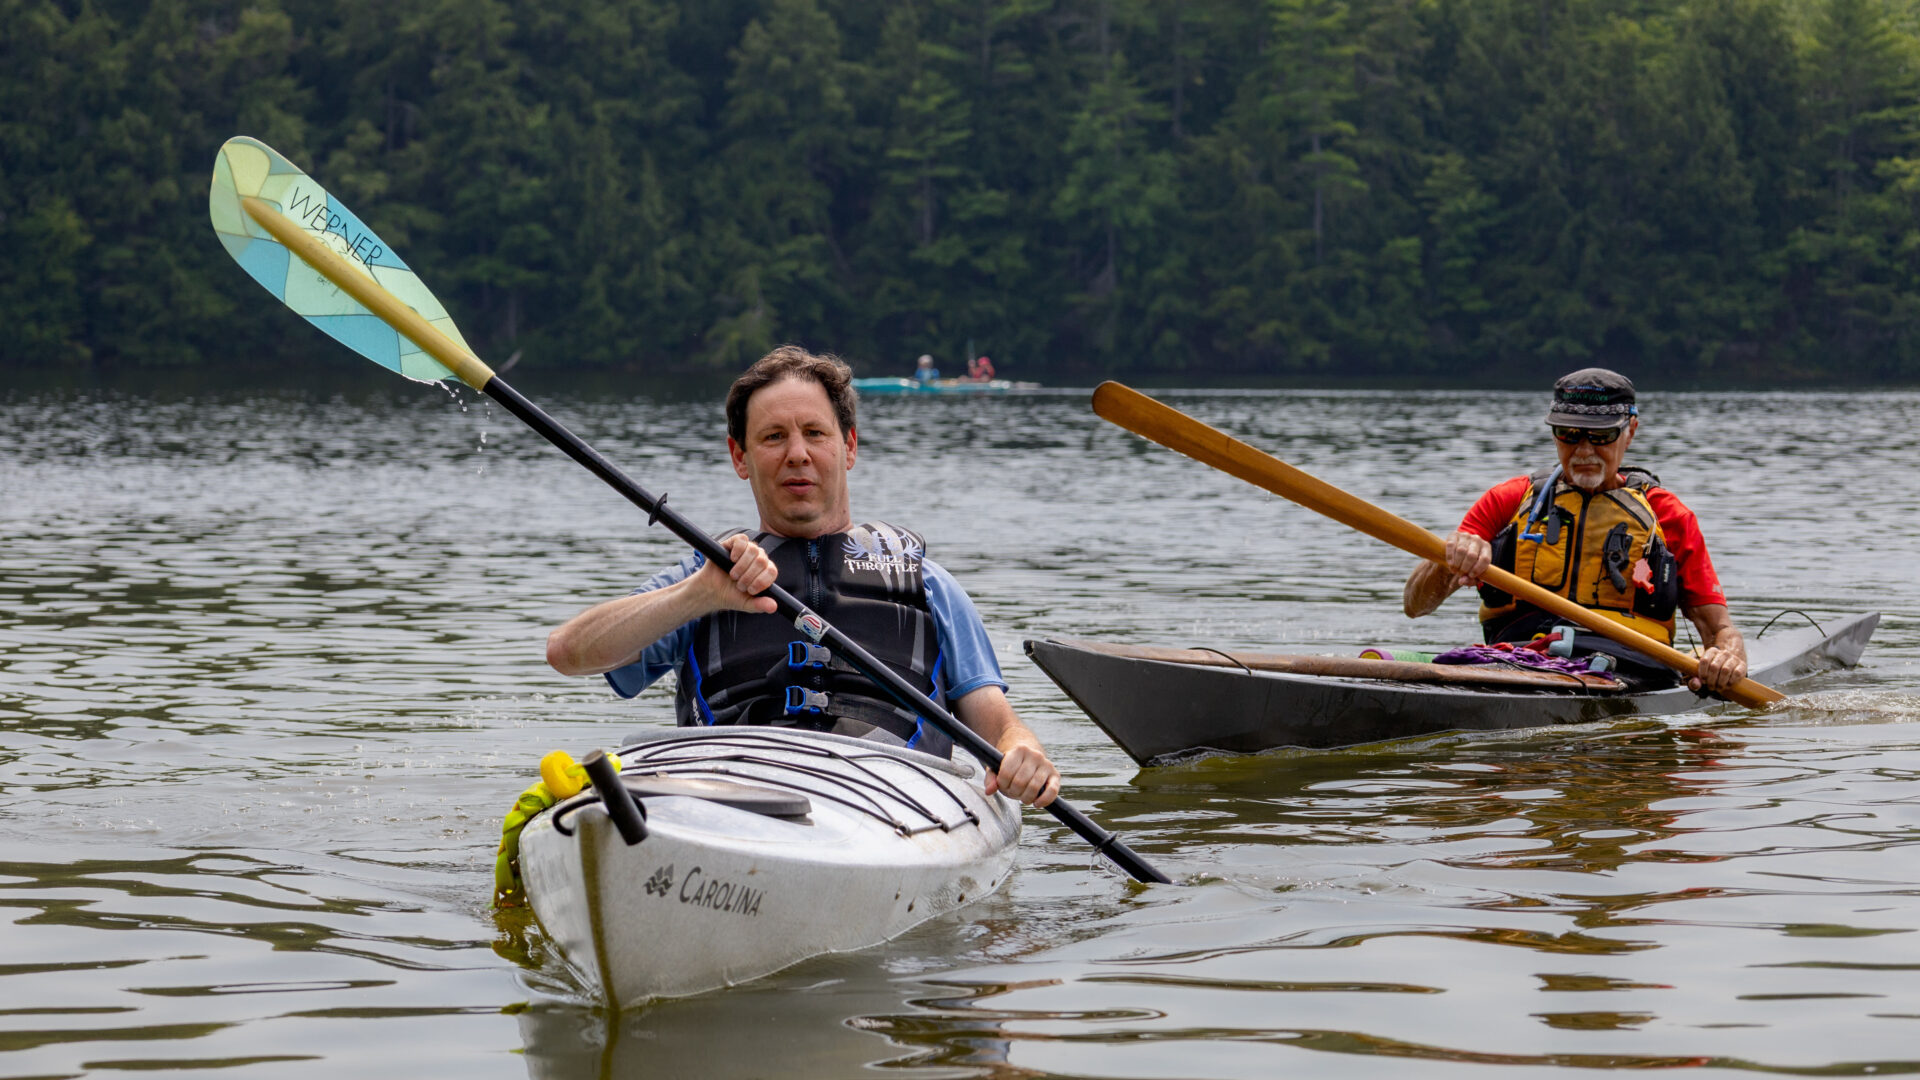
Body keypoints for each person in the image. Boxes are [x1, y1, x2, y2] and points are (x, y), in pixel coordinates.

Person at [545, 346, 1061, 807]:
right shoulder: (704, 575)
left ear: (849, 446)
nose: (797, 454)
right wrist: (697, 596)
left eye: (815, 433)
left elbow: (998, 725)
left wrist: (1022, 750)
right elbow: (567, 653)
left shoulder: (929, 585)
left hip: (891, 806)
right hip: (731, 797)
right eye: (774, 437)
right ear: (740, 457)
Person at [1402, 368, 1748, 695]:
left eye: (1601, 436)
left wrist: (1727, 658)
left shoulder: (1669, 515)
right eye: (1568, 434)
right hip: (1515, 660)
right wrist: (1450, 558)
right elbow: (1415, 605)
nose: (1583, 450)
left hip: (1631, 667)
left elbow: (1719, 630)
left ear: (1630, 431)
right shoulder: (1507, 500)